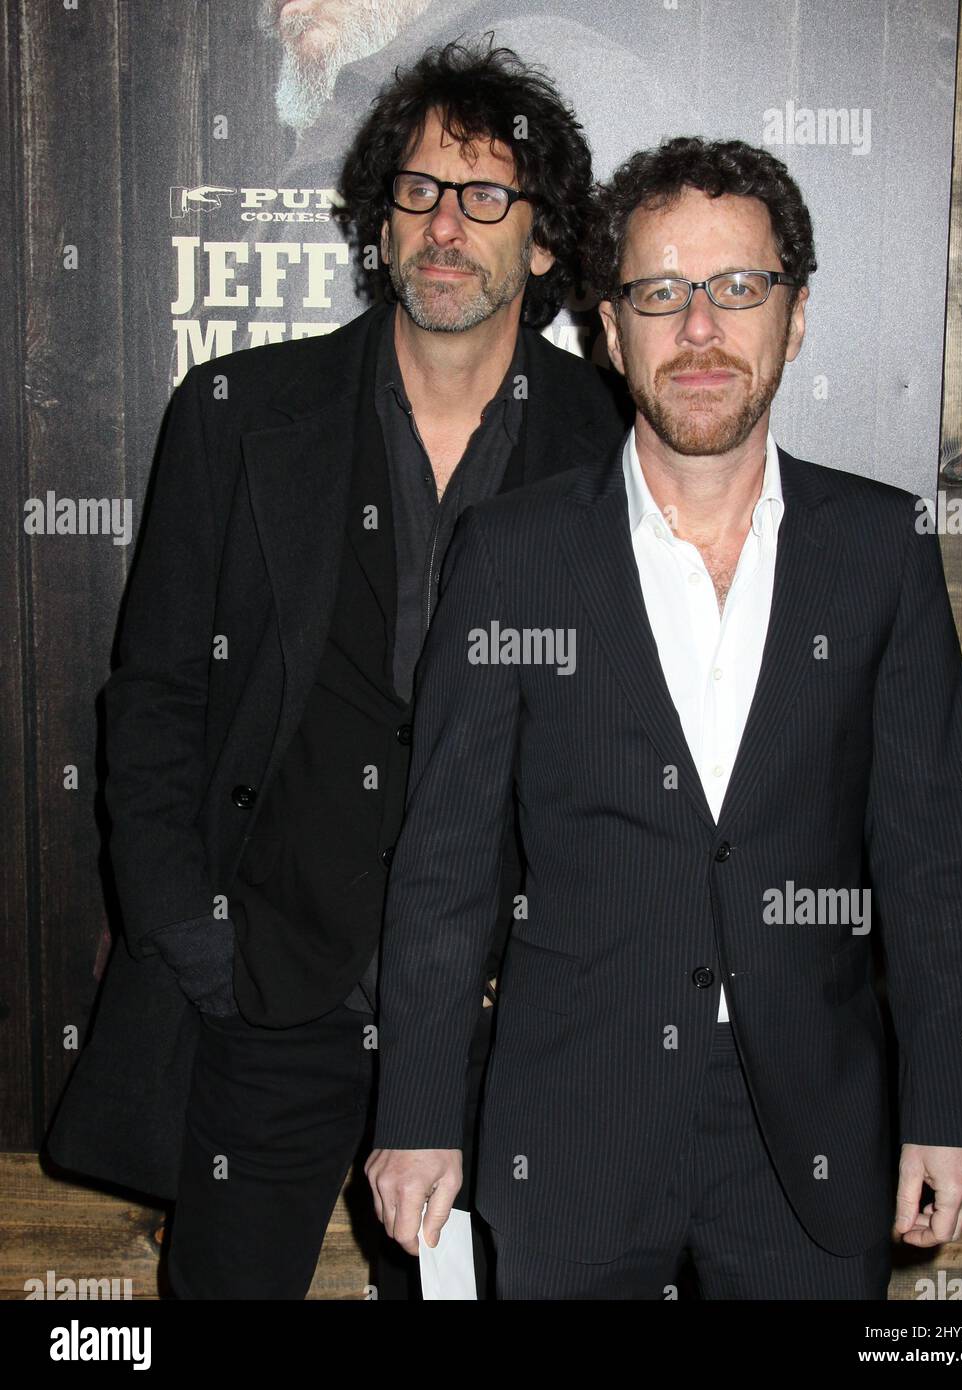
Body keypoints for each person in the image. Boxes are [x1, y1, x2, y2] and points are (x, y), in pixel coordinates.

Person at [44, 39, 630, 1300]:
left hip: (504, 1020)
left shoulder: (611, 444)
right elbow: (152, 703)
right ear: (377, 223)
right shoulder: (234, 414)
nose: (443, 225)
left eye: (486, 198)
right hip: (270, 996)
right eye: (416, 192)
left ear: (543, 243)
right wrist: (196, 941)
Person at [367, 136, 962, 1299]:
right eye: (658, 294)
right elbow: (444, 858)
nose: (698, 331)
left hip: (812, 1129)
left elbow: (931, 861)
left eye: (736, 289)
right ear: (608, 331)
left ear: (793, 317)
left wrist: (945, 1105)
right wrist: (415, 1109)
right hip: (568, 1123)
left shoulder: (878, 549)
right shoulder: (512, 556)